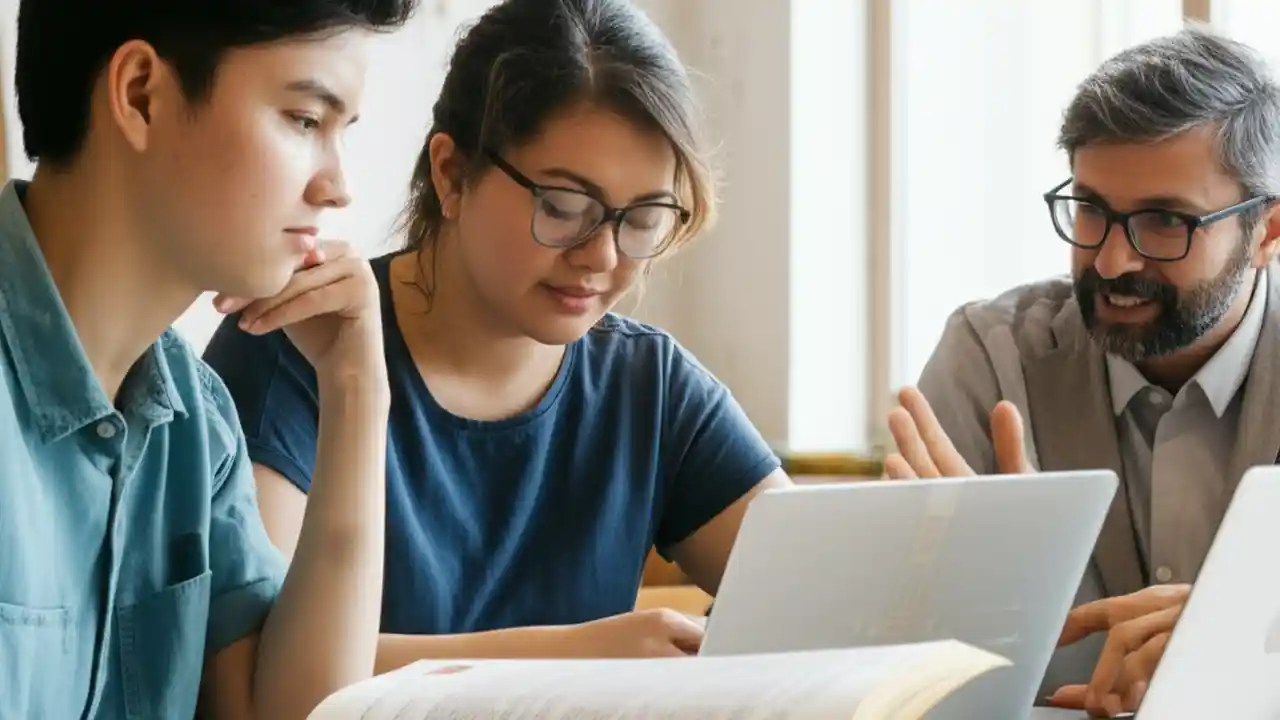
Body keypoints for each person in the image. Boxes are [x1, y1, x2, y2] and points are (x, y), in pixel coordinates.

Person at [203, 0, 791, 670]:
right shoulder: (300, 345)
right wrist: (572, 659)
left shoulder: (651, 387)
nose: (602, 256)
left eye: (644, 218)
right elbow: (261, 678)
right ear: (452, 175)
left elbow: (818, 600)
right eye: (563, 208)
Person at [0, 2, 418, 717]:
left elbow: (290, 712)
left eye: (340, 132)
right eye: (305, 120)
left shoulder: (201, 424)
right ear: (140, 94)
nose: (337, 186)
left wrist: (356, 391)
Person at [883, 27, 1280, 717]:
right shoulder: (992, 359)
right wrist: (950, 592)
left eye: (1164, 222)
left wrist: (1241, 640)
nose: (1111, 263)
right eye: (1092, 210)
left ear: (1267, 233)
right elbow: (896, 650)